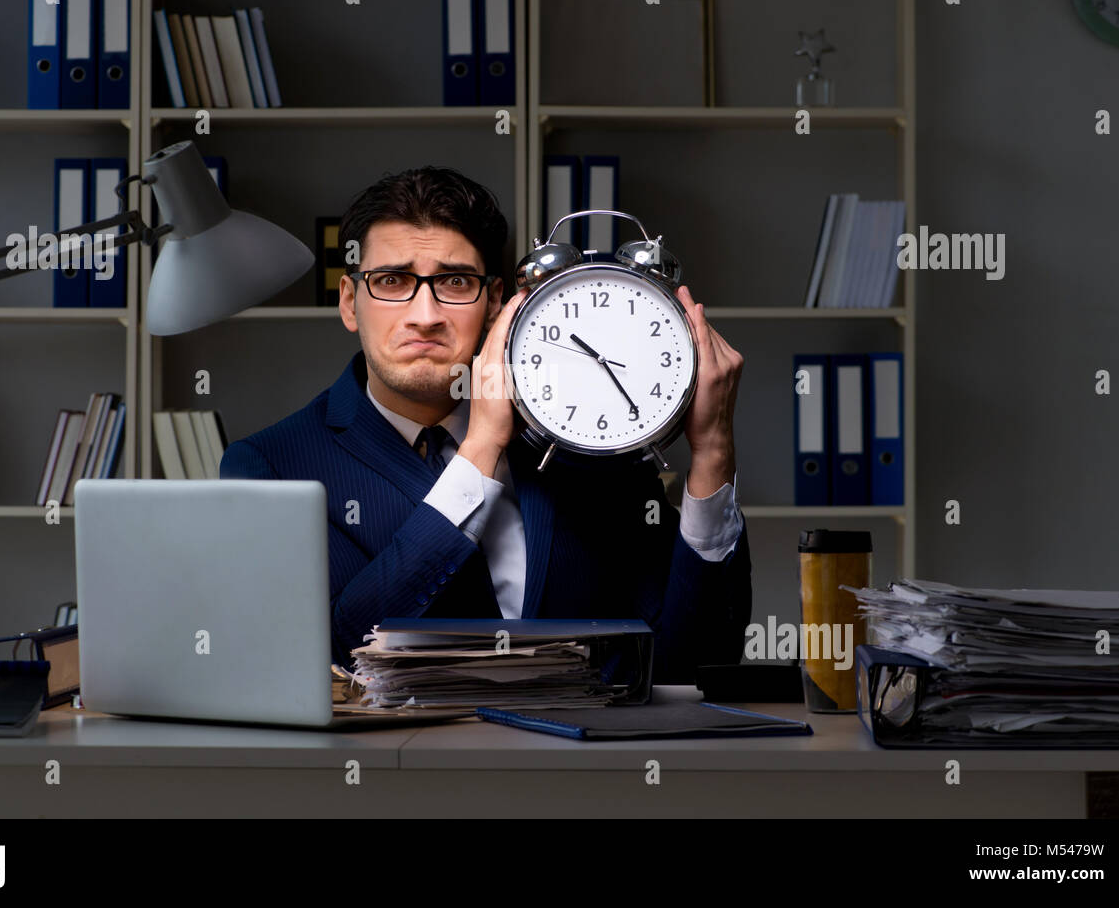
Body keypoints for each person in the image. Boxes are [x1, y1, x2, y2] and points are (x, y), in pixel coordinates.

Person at [220, 166, 751, 682]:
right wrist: (479, 453)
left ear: (496, 302)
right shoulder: (271, 467)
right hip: (401, 769)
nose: (424, 314)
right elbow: (330, 662)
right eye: (391, 280)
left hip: (584, 768)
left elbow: (694, 666)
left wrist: (712, 457)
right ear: (349, 302)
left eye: (453, 282)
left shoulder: (592, 440)